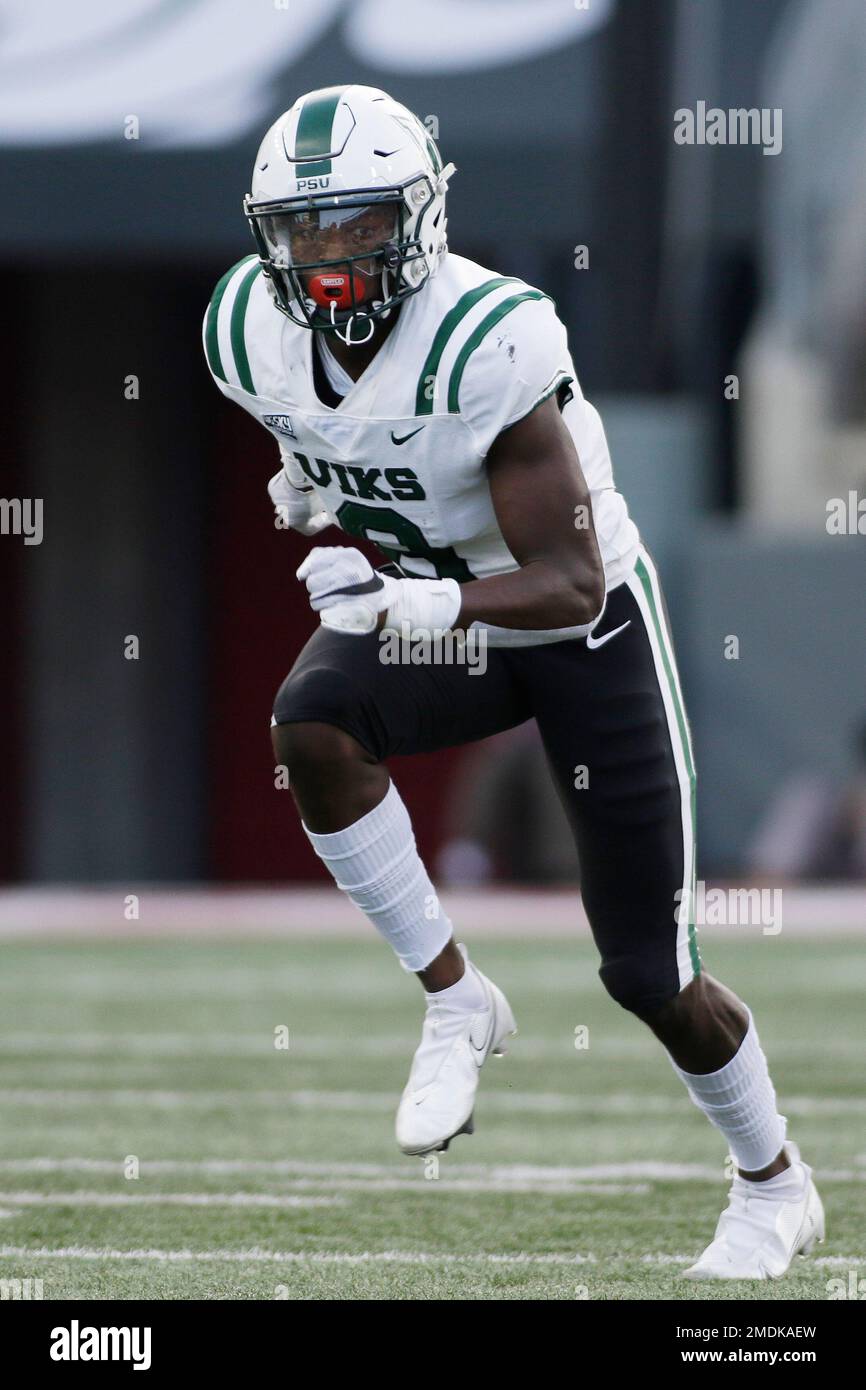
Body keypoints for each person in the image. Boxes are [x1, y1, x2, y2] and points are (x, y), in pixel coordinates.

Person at [203, 85, 823, 1280]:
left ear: (421, 218)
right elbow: (306, 417)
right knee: (313, 724)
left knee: (651, 973)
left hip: (570, 622)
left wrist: (421, 601)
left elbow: (569, 583)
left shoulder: (490, 336)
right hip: (437, 607)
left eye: (356, 227)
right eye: (303, 233)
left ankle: (771, 1184)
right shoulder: (243, 327)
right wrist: (307, 476)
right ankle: (453, 996)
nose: (328, 262)